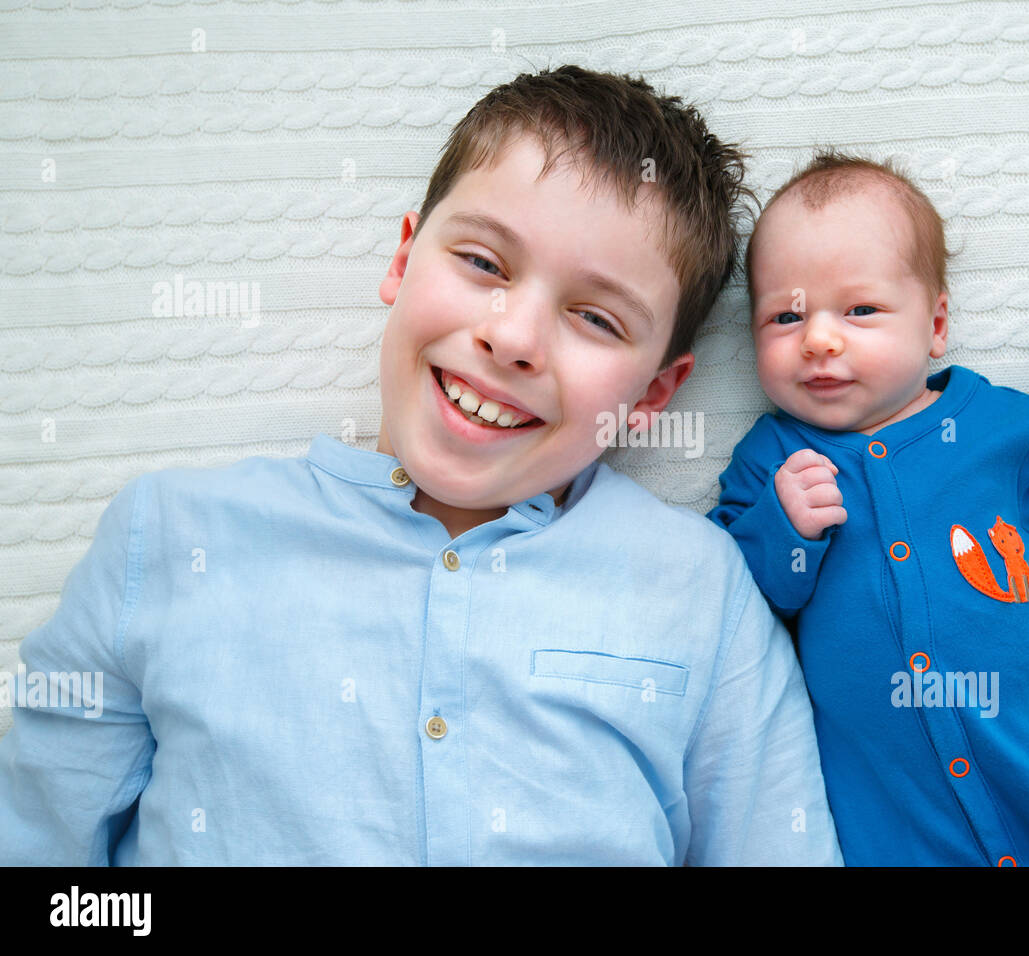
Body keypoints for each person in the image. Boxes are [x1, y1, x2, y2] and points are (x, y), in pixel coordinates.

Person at [0, 66, 842, 866]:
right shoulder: (170, 540)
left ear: (655, 392)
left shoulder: (702, 592)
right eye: (483, 264)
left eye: (594, 317)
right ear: (403, 262)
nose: (511, 338)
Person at [709, 149, 1029, 866]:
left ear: (936, 325)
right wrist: (780, 528)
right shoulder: (769, 460)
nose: (820, 338)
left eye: (861, 310)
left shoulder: (993, 424)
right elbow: (730, 602)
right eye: (786, 317)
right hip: (899, 812)